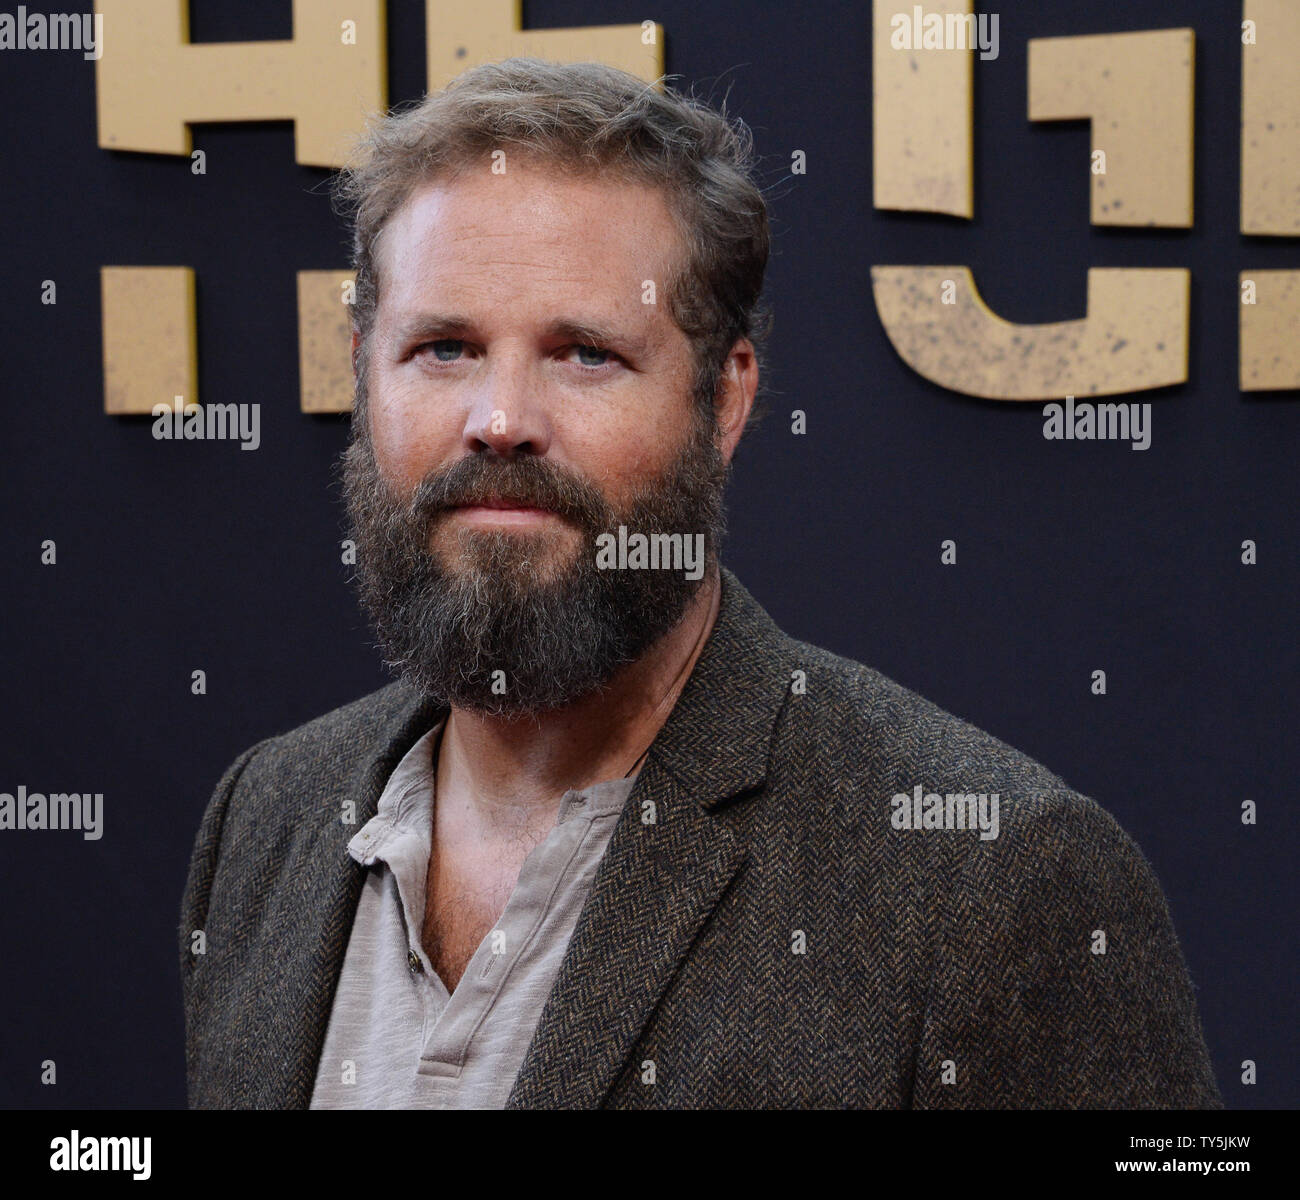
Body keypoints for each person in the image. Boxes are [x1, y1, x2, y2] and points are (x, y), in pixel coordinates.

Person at [180, 57, 1221, 1109]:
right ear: (364, 374)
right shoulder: (265, 818)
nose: (499, 419)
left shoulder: (995, 884)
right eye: (442, 348)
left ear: (722, 404)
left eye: (584, 355)